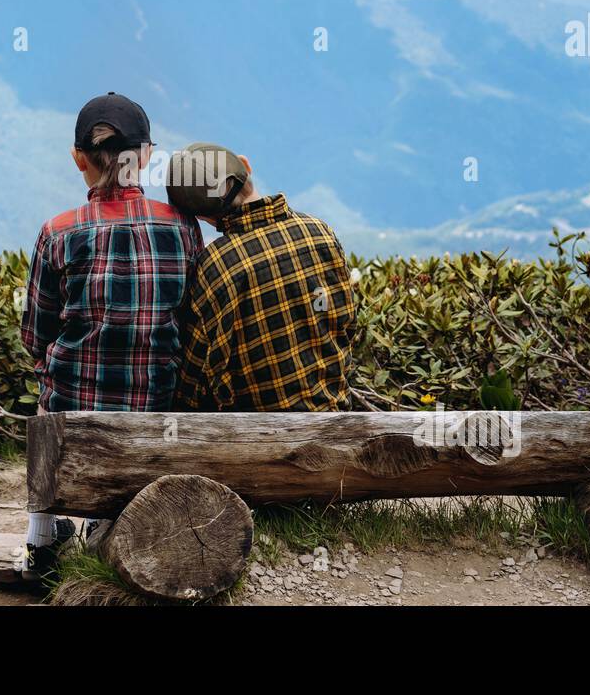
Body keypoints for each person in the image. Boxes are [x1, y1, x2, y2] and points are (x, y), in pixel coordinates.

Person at [19, 93, 203, 577]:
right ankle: (105, 523)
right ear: (145, 155)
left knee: (48, 391)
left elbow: (35, 336)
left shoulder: (58, 232)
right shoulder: (182, 227)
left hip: (74, 413)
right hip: (155, 410)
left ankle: (40, 539)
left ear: (78, 158)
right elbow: (190, 321)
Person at [166, 142, 353, 411]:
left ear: (203, 217)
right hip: (333, 417)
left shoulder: (216, 265)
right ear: (246, 164)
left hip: (255, 438)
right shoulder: (320, 232)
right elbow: (346, 325)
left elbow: (194, 377)